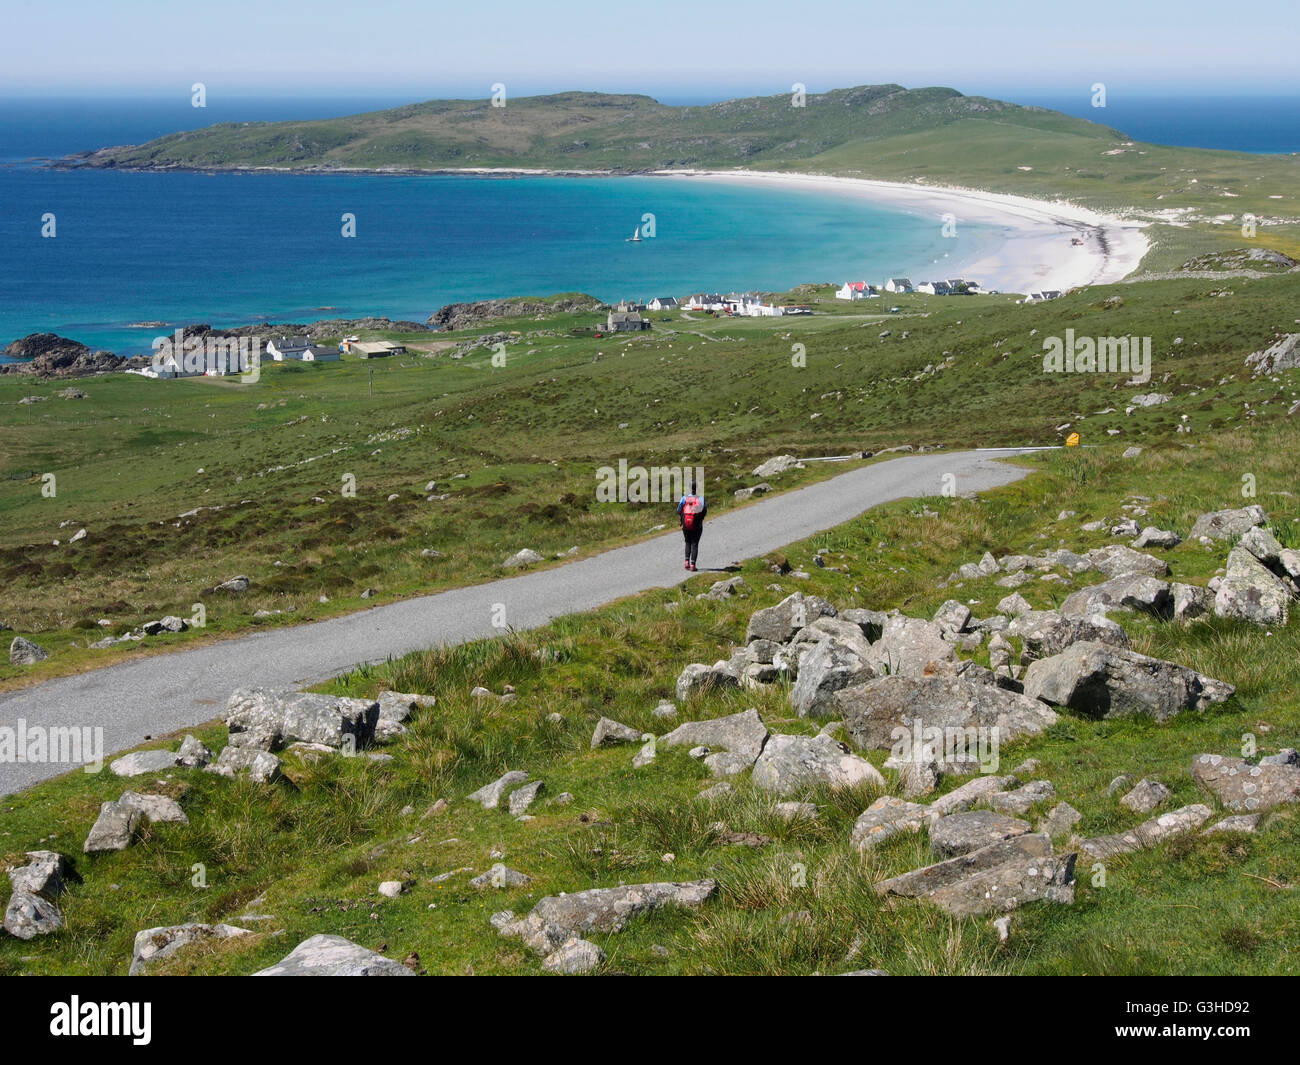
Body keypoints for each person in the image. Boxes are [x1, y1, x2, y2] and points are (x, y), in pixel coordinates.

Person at [677, 481, 707, 571]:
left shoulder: (684, 498)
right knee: (695, 544)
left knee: (687, 542)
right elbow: (705, 511)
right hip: (697, 525)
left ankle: (686, 562)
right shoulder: (701, 499)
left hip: (686, 525)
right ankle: (693, 565)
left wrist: (683, 518)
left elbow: (678, 510)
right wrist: (700, 518)